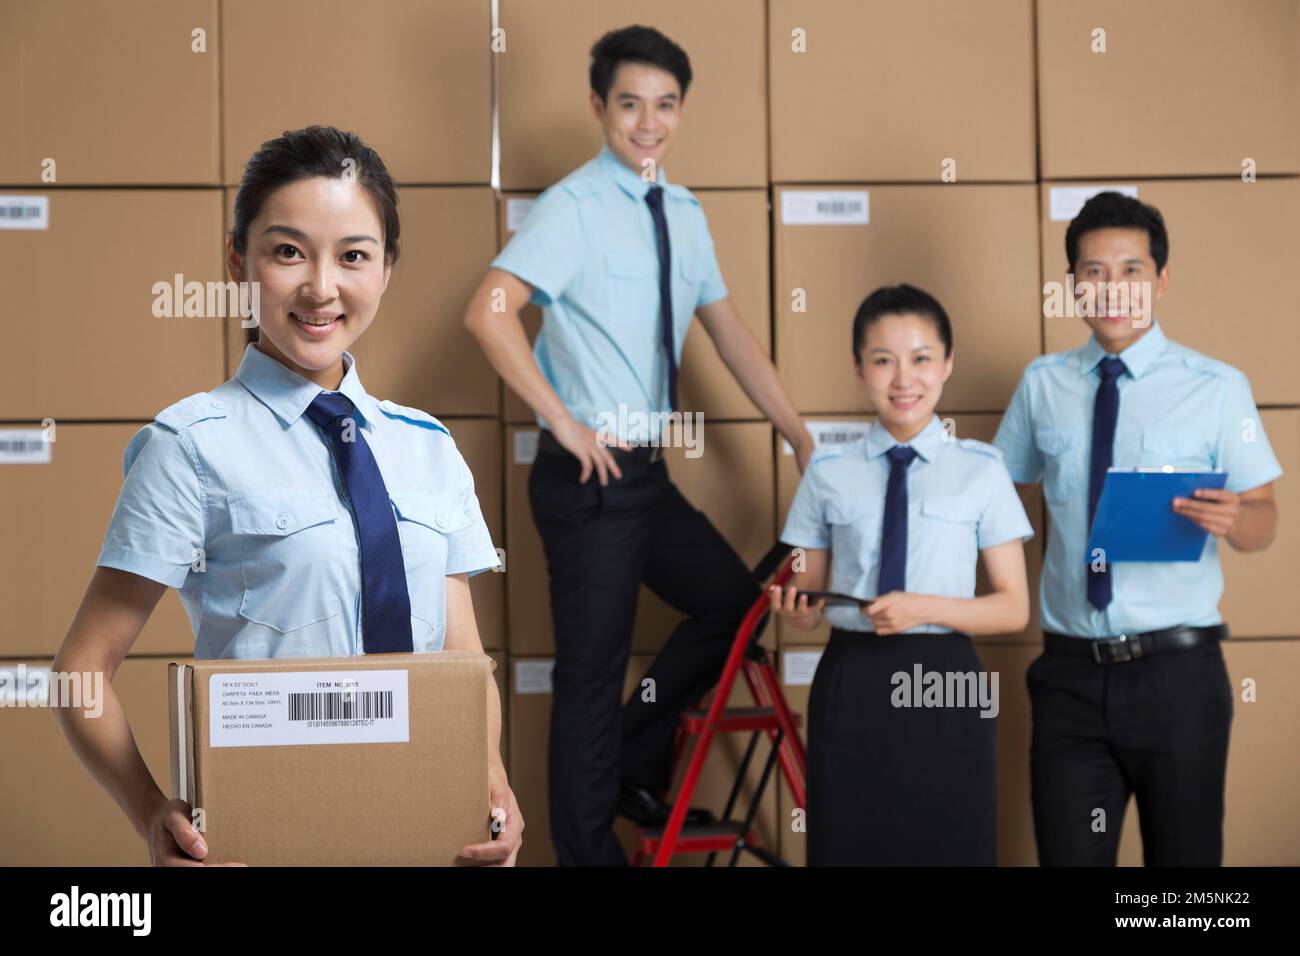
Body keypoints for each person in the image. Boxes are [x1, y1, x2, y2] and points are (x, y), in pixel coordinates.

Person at [51, 126, 523, 866]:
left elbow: (463, 658)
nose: (321, 287)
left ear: (387, 269)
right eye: (288, 251)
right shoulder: (191, 446)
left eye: (354, 256)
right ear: (239, 262)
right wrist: (152, 816)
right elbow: (81, 671)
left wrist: (492, 783)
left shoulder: (427, 447)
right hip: (265, 841)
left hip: (431, 839)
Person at [464, 25, 814, 865]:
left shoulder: (684, 216)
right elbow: (488, 310)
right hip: (588, 479)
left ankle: (623, 763)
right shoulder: (573, 208)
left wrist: (800, 434)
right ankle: (591, 852)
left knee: (732, 607)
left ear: (680, 112)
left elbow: (730, 337)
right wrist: (561, 419)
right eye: (630, 104)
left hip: (646, 479)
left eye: (664, 106)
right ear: (600, 107)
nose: (647, 123)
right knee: (588, 682)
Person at [994, 190, 1283, 866]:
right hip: (1068, 677)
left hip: (1177, 676)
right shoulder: (1043, 385)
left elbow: (1265, 517)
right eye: (1094, 272)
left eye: (1131, 270)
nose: (1113, 289)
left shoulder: (1216, 387)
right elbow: (995, 503)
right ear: (1073, 287)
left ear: (1161, 280)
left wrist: (1237, 518)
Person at [770, 284, 1032, 866]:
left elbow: (1014, 607)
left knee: (951, 843)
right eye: (883, 360)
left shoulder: (983, 470)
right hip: (852, 678)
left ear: (947, 364)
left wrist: (924, 607)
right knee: (851, 846)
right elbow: (808, 599)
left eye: (920, 359)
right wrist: (798, 609)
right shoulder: (827, 474)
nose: (903, 379)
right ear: (858, 367)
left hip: (948, 681)